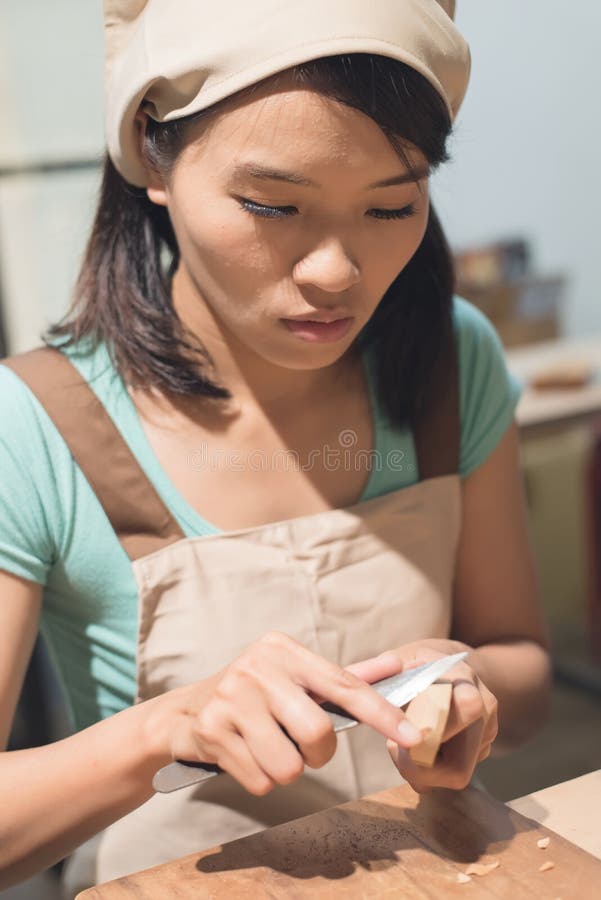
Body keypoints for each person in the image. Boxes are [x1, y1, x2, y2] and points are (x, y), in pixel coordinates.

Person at [0, 0, 552, 892]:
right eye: (272, 203)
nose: (335, 270)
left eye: (391, 205)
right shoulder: (30, 423)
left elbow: (522, 669)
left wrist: (463, 687)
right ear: (151, 151)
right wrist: (163, 730)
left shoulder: (449, 360)